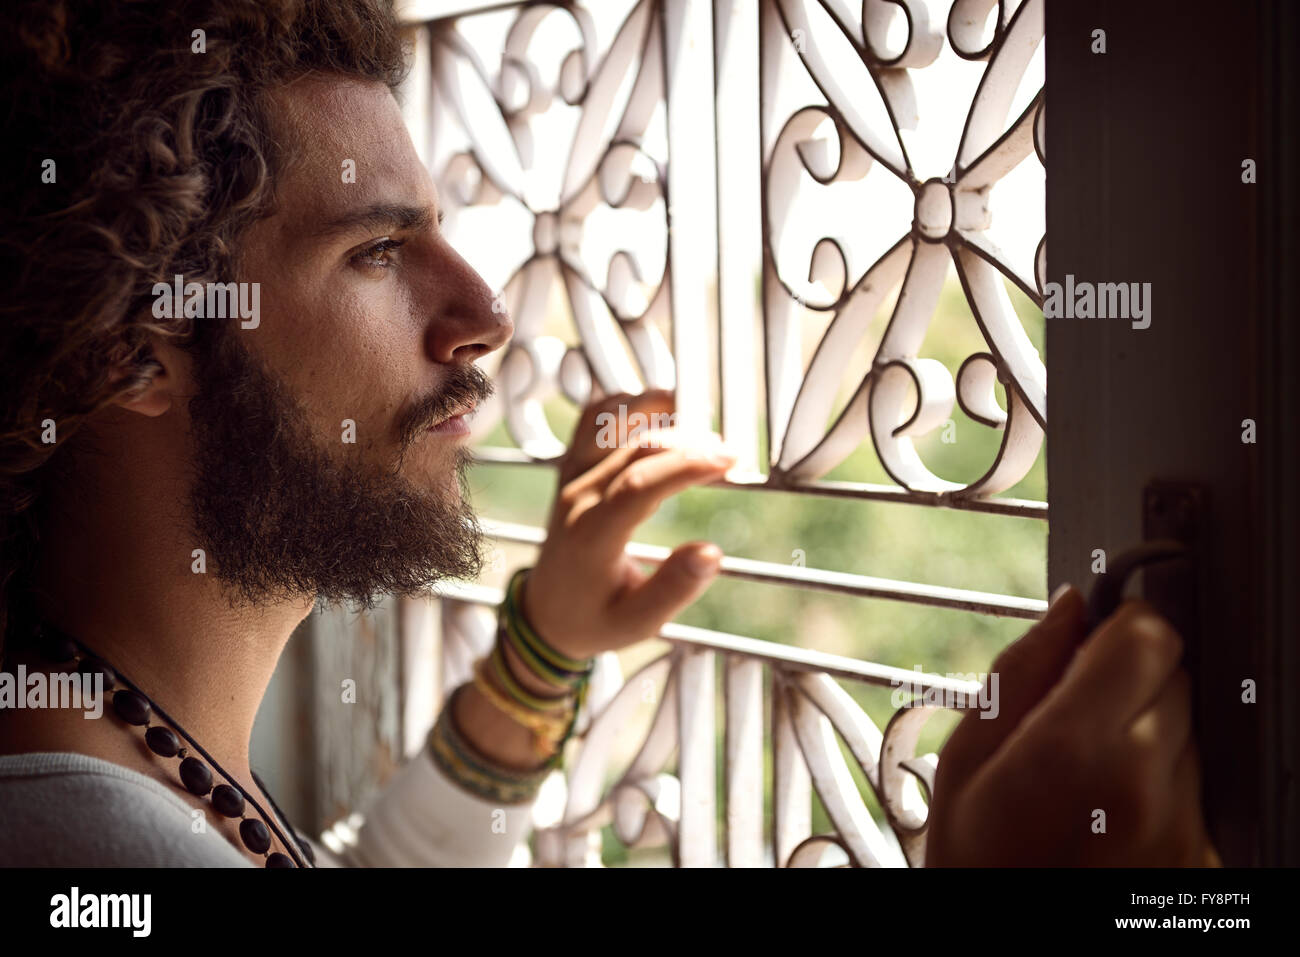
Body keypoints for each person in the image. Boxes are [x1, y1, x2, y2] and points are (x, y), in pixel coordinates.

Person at [0, 0, 1218, 868]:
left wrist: (544, 654)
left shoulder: (112, 752)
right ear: (130, 349)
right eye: (376, 252)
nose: (481, 314)